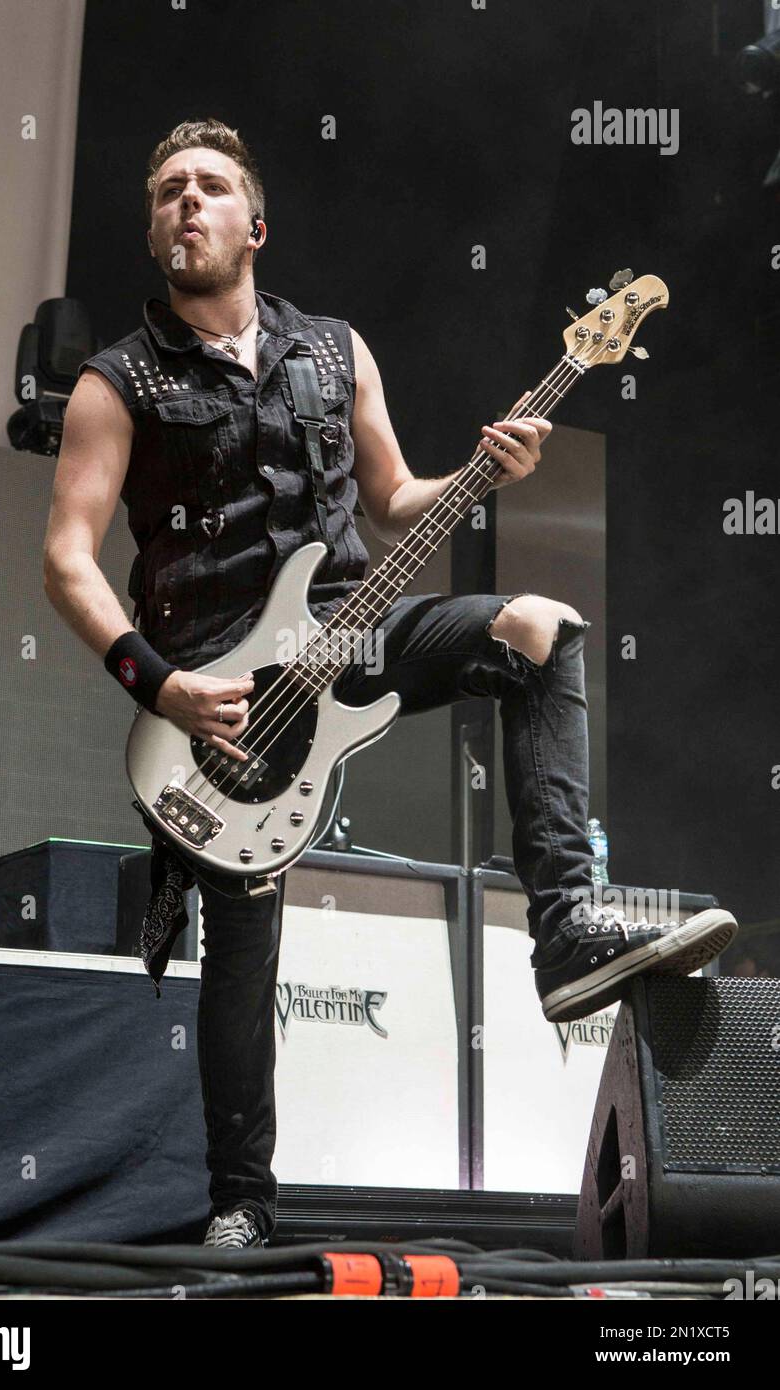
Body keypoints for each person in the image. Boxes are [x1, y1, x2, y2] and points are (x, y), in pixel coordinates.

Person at [42, 118, 737, 1250]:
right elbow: (66, 559)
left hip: (347, 628)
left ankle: (561, 931)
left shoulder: (333, 350)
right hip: (214, 687)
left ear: (253, 225)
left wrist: (484, 471)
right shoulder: (115, 382)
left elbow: (396, 497)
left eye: (210, 187)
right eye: (167, 189)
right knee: (245, 930)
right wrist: (162, 687)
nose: (185, 202)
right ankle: (240, 1204)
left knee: (538, 628)